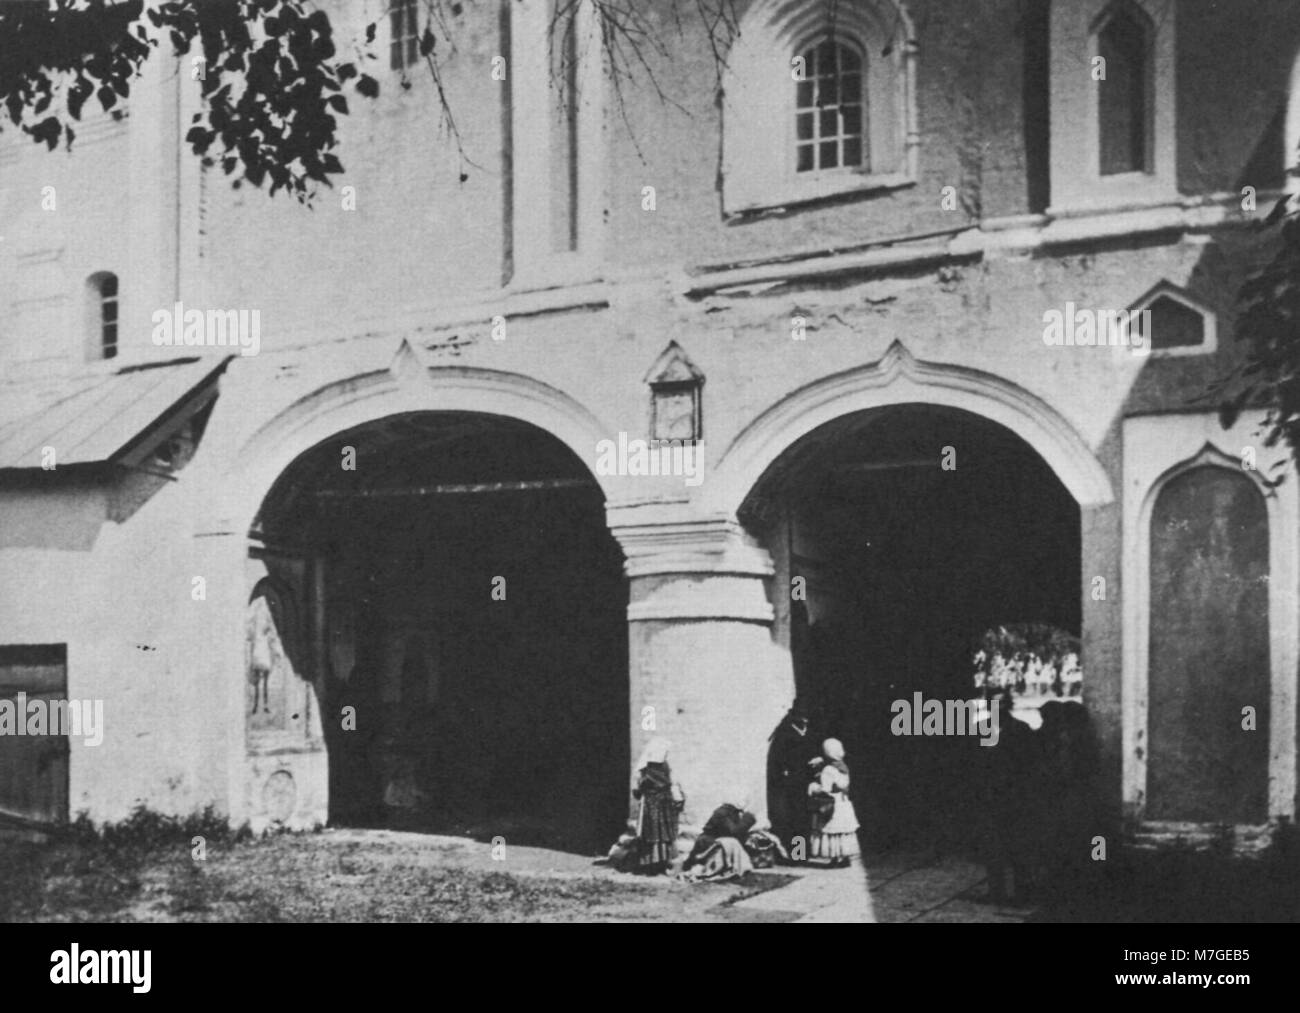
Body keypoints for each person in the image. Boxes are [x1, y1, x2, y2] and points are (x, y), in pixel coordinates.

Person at [767, 701, 819, 855]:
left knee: (804, 819)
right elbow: (779, 759)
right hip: (791, 783)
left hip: (805, 780)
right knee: (795, 818)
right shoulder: (786, 733)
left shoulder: (806, 730)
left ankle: (803, 852)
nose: (805, 719)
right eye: (802, 716)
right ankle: (798, 853)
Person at [631, 737, 684, 873]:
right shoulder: (654, 768)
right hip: (657, 803)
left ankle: (655, 863)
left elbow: (638, 788)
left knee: (657, 831)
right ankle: (655, 863)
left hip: (658, 803)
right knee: (657, 831)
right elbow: (671, 783)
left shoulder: (649, 768)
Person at [682, 791, 757, 881]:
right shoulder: (723, 812)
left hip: (717, 841)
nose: (745, 804)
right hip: (708, 842)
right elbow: (734, 831)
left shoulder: (733, 812)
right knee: (730, 843)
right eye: (744, 800)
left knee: (732, 842)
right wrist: (748, 819)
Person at [808, 738, 859, 868]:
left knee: (831, 832)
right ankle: (845, 857)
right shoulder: (843, 767)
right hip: (844, 802)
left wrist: (813, 786)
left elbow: (826, 789)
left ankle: (835, 858)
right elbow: (843, 784)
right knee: (843, 832)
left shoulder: (828, 770)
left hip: (832, 803)